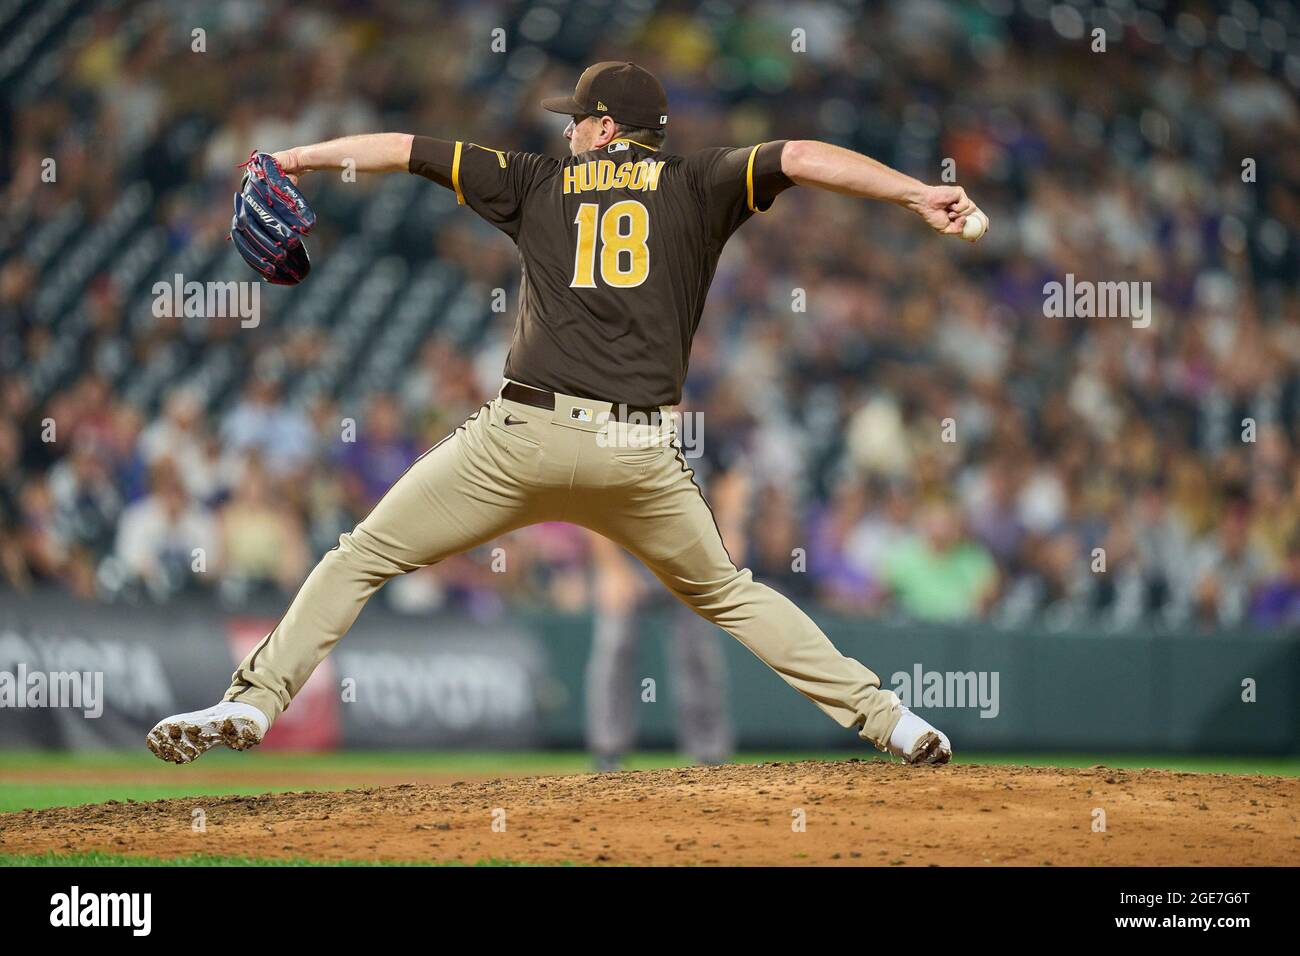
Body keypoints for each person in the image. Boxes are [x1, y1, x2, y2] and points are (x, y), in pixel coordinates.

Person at [148, 61, 985, 766]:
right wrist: (915, 192)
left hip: (521, 439)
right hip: (637, 450)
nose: (568, 132)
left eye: (578, 121)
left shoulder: (535, 182)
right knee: (730, 594)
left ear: (606, 130)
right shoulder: (700, 183)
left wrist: (296, 156)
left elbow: (403, 150)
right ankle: (893, 721)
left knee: (359, 556)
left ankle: (257, 704)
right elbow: (800, 154)